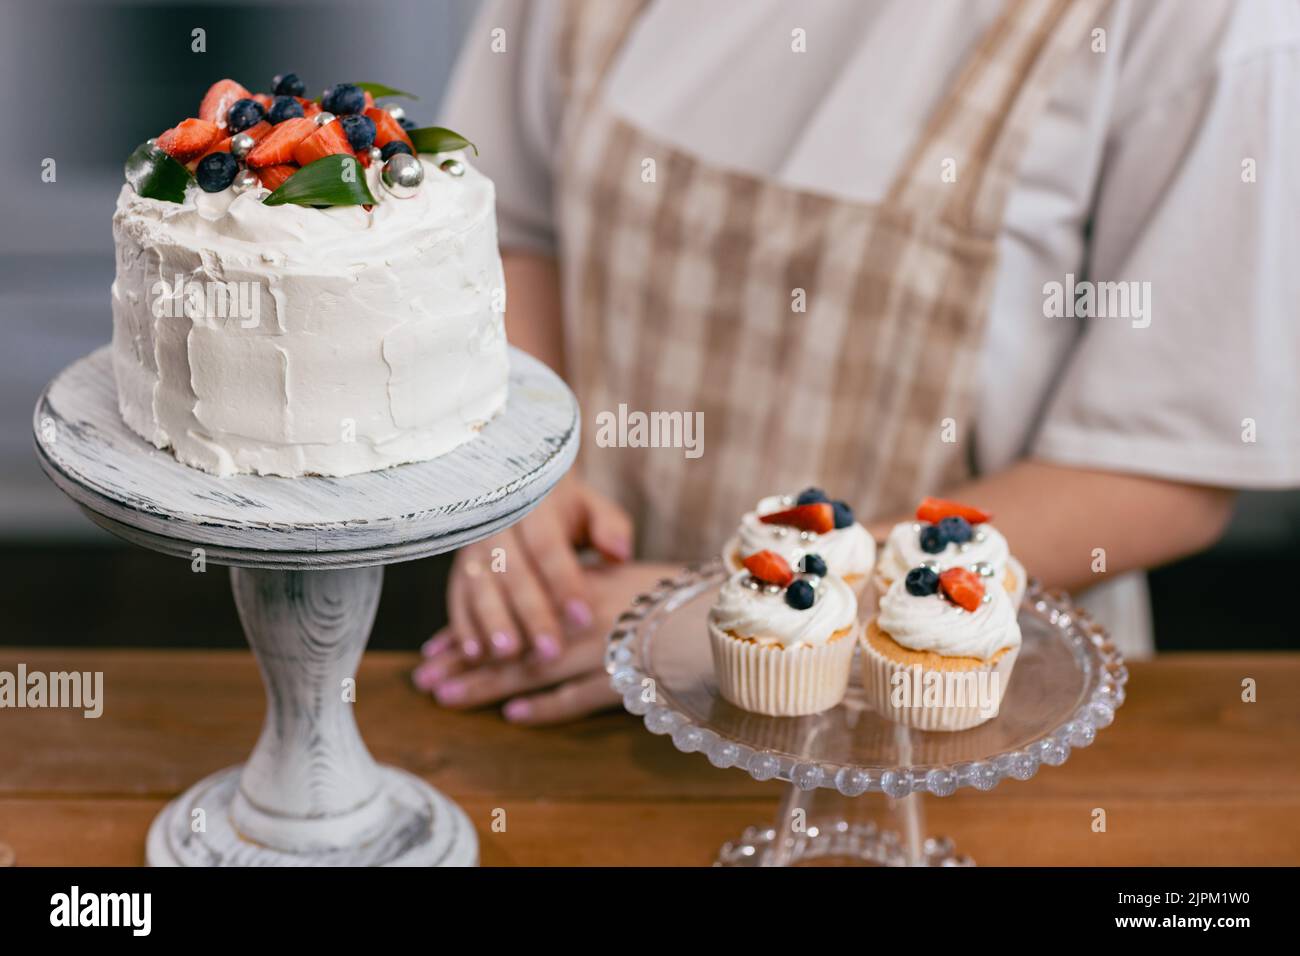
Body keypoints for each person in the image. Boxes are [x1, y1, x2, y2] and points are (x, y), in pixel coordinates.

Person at [413, 0, 1300, 724]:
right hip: (580, 663)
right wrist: (517, 472)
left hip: (954, 717)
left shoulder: (1211, 23)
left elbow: (1161, 470)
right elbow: (511, 228)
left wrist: (735, 621)